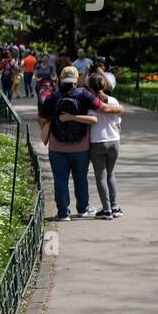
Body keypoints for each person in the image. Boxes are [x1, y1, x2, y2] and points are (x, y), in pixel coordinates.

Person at [38, 66, 124, 221]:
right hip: (81, 147)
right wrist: (120, 109)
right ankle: (83, 208)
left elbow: (42, 119)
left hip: (57, 148)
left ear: (60, 79)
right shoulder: (84, 94)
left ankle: (63, 213)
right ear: (76, 81)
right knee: (80, 178)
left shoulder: (53, 97)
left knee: (60, 180)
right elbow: (103, 108)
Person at [86, 73, 123, 219]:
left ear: (90, 87)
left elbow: (91, 121)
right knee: (111, 174)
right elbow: (118, 123)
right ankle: (115, 207)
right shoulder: (113, 100)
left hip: (98, 141)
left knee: (100, 176)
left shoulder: (91, 102)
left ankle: (106, 210)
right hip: (114, 140)